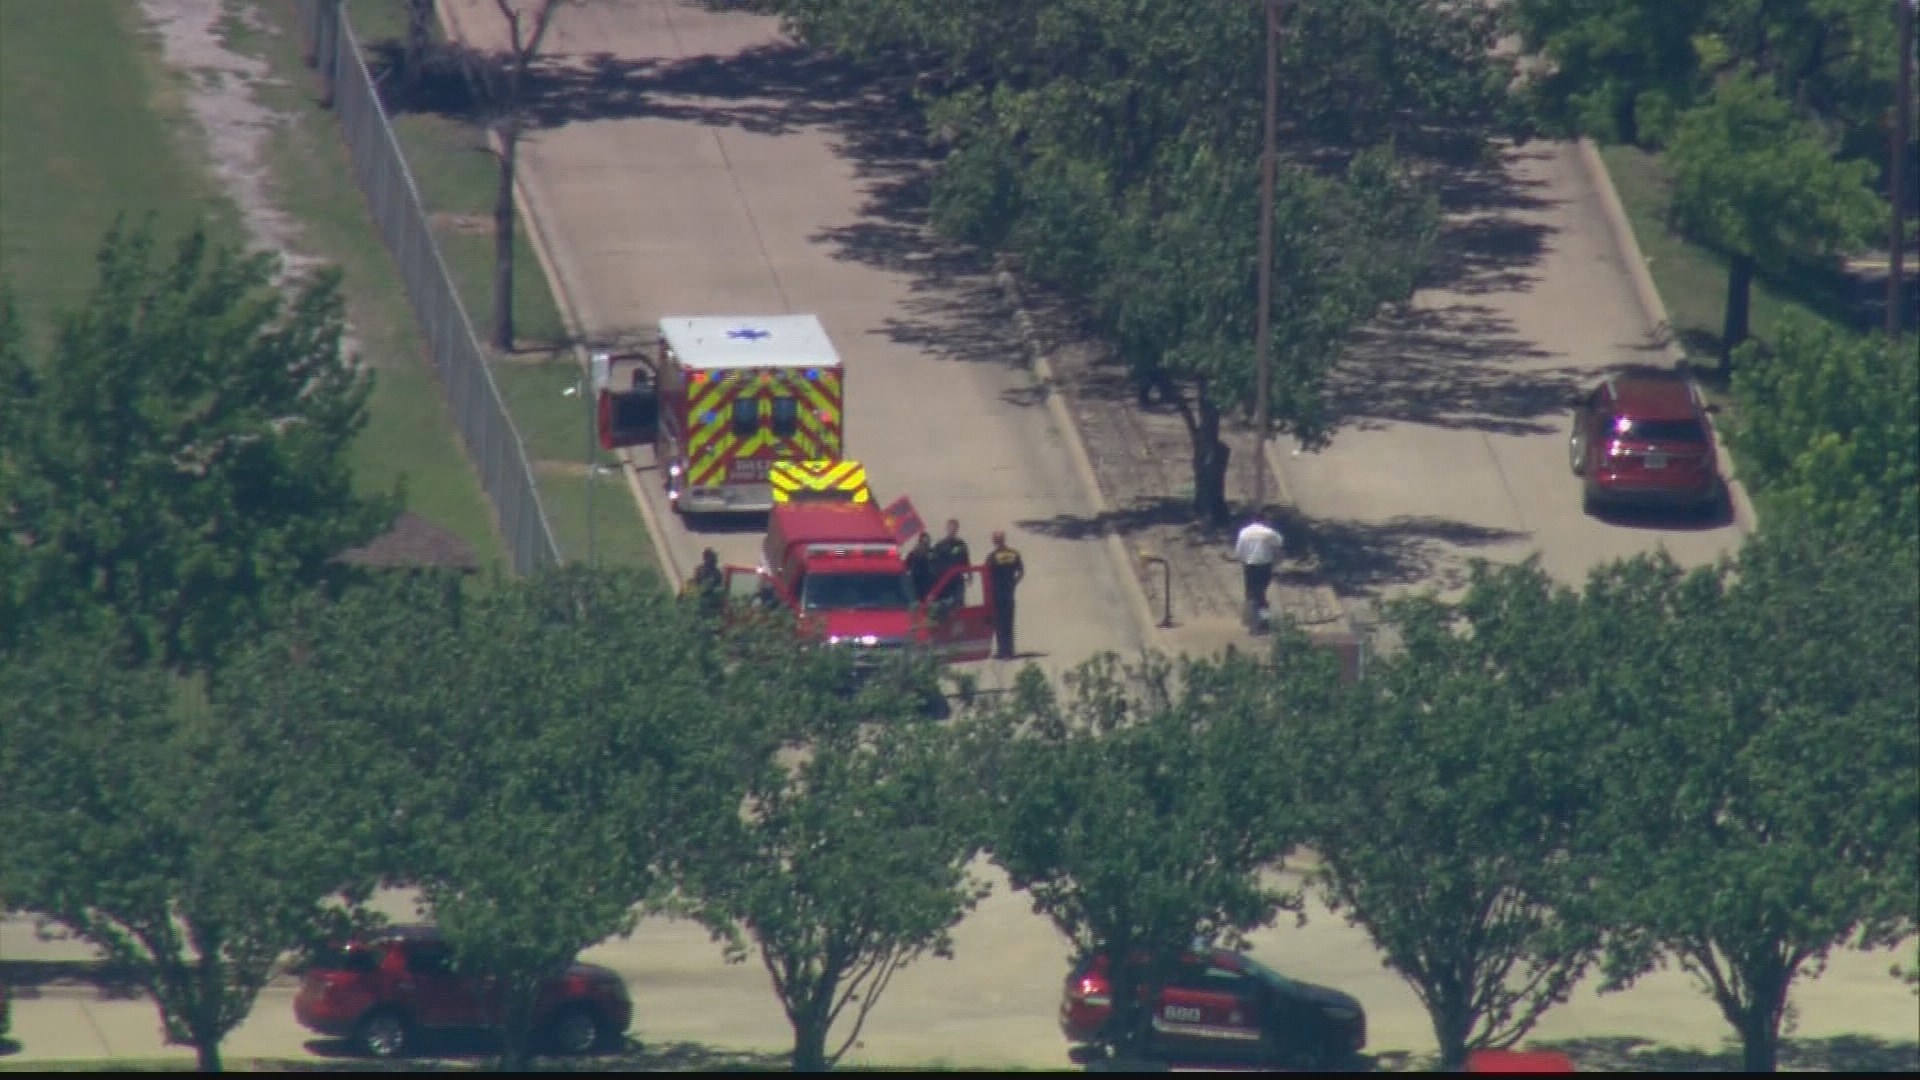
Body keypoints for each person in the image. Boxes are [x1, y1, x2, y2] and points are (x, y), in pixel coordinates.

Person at [1234, 514, 1284, 634]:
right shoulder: (1269, 533)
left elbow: (1239, 552)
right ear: (1265, 521)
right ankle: (1263, 620)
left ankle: (1251, 620)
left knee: (1251, 593)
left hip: (1250, 566)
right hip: (1265, 566)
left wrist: (1244, 562)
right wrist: (1277, 564)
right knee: (1261, 592)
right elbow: (1278, 548)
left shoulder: (1244, 532)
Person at [984, 530, 1025, 660]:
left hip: (997, 593)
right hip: (1009, 592)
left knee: (999, 622)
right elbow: (1021, 571)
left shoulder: (992, 556)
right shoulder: (1014, 553)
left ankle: (1003, 651)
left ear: (995, 540)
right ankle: (1010, 650)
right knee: (1009, 621)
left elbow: (986, 573)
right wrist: (1014, 583)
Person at [929, 518, 971, 606]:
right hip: (944, 578)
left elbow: (966, 559)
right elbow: (934, 562)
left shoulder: (961, 544)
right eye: (951, 527)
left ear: (957, 529)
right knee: (945, 603)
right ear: (947, 528)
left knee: (959, 602)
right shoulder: (940, 545)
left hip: (957, 578)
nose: (953, 530)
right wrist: (936, 577)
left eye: (955, 528)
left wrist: (969, 574)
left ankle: (959, 616)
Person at [686, 547, 725, 613]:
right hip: (700, 600)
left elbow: (719, 587)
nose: (715, 560)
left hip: (711, 601)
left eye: (715, 557)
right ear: (706, 558)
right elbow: (696, 583)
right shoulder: (700, 569)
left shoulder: (717, 573)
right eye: (713, 557)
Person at [905, 533, 937, 602]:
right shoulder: (913, 554)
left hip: (927, 584)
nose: (924, 545)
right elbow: (906, 567)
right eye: (923, 543)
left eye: (927, 543)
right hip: (916, 583)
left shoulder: (932, 554)